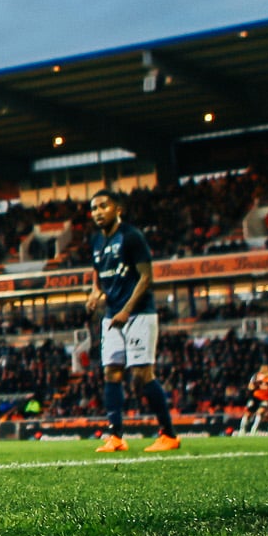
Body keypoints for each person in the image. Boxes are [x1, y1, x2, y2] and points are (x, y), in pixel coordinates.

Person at [85, 189, 179, 453]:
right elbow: (98, 274)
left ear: (117, 210)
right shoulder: (96, 242)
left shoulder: (131, 236)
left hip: (138, 314)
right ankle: (116, 437)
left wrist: (126, 310)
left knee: (141, 374)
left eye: (103, 206)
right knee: (111, 372)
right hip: (112, 315)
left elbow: (146, 278)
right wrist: (95, 293)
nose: (98, 212)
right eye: (94, 208)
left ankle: (169, 435)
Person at [239, 365, 268, 436]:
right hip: (255, 397)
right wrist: (256, 386)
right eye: (262, 368)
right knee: (248, 413)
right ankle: (242, 429)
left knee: (260, 412)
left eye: (266, 368)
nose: (263, 369)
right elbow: (250, 387)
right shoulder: (256, 376)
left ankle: (254, 429)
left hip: (266, 398)